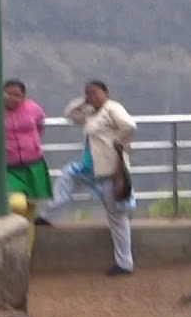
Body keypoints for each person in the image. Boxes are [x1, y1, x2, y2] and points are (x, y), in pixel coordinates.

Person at [35, 80, 138, 276]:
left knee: (116, 217)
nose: (92, 96)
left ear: (106, 93)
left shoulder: (112, 108)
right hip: (90, 167)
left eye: (95, 92)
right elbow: (70, 113)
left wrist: (120, 142)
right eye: (88, 93)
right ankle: (48, 214)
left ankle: (125, 263)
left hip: (110, 169)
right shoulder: (92, 113)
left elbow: (129, 126)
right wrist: (84, 100)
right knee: (68, 175)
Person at [3, 79, 51, 253]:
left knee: (29, 215)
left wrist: (32, 145)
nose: (12, 98)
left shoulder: (33, 109)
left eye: (17, 95)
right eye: (8, 93)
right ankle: (12, 242)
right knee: (17, 205)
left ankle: (25, 257)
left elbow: (39, 126)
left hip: (33, 165)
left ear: (24, 96)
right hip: (9, 167)